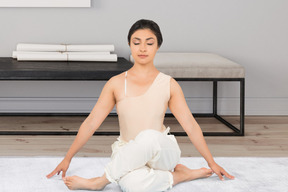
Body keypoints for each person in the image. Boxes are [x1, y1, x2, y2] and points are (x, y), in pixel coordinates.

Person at [46, 19, 234, 192]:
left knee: (149, 136)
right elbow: (91, 123)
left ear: (158, 46)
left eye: (149, 43)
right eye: (137, 43)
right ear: (129, 44)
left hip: (161, 152)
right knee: (132, 186)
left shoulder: (169, 84)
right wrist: (68, 158)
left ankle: (100, 181)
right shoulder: (116, 83)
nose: (142, 48)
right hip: (128, 154)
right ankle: (180, 175)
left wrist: (212, 162)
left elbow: (191, 126)